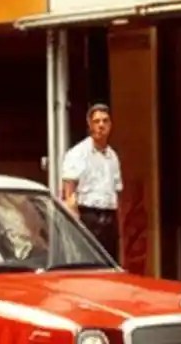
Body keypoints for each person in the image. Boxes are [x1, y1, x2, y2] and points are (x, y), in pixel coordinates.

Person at [61, 103, 123, 262]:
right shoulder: (77, 153)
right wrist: (75, 224)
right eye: (96, 121)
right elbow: (69, 193)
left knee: (110, 262)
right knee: (88, 263)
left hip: (109, 217)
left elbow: (117, 192)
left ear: (111, 125)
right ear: (89, 124)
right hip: (87, 215)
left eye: (105, 121)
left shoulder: (113, 157)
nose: (101, 125)